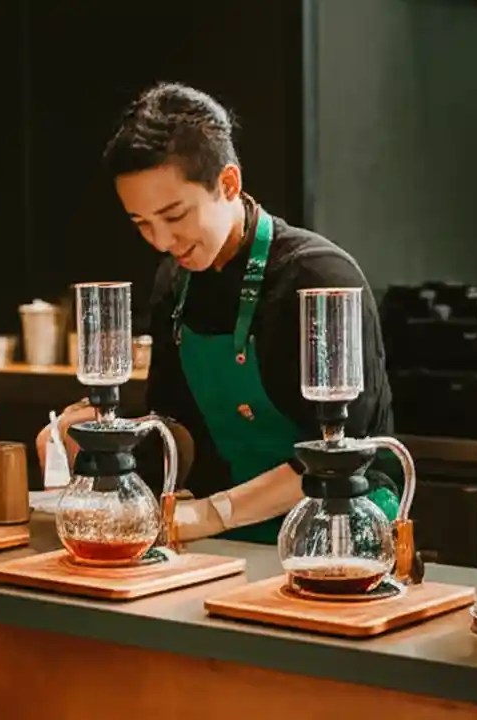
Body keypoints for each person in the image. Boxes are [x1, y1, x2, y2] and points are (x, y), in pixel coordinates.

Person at [37, 82, 397, 545]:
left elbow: (341, 451)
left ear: (228, 183)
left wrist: (213, 512)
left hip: (340, 534)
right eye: (142, 223)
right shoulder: (176, 281)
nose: (162, 241)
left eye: (174, 215)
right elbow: (178, 428)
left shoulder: (318, 278)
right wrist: (103, 442)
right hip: (232, 538)